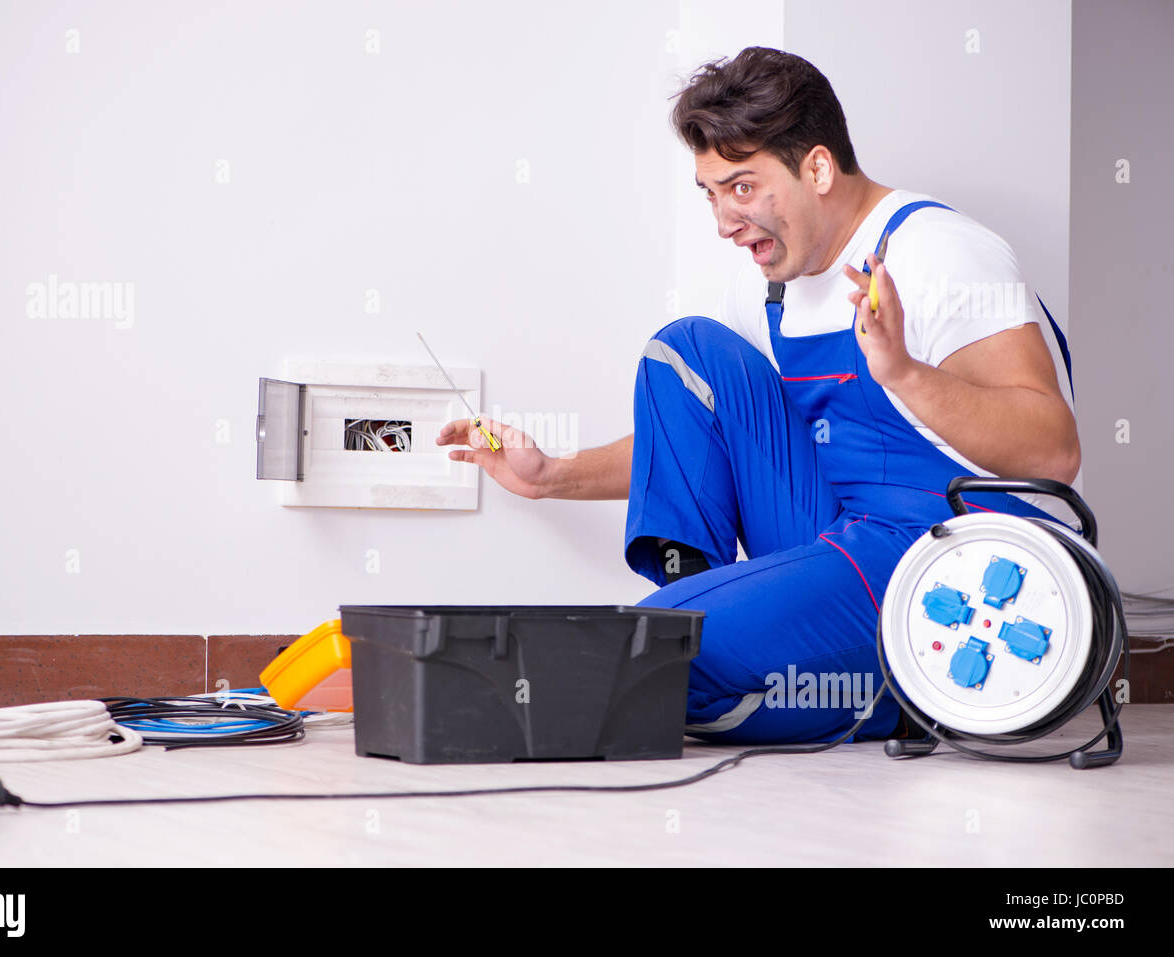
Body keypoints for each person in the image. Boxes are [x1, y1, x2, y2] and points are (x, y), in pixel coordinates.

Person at [436, 47, 1079, 745]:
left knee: (656, 661)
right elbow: (697, 442)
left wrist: (905, 373)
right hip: (845, 533)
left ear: (819, 169)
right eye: (710, 193)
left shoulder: (940, 252)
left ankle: (902, 692)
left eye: (741, 187)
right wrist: (551, 475)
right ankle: (697, 619)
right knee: (684, 352)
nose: (723, 220)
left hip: (951, 557)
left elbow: (1053, 448)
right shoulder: (772, 285)